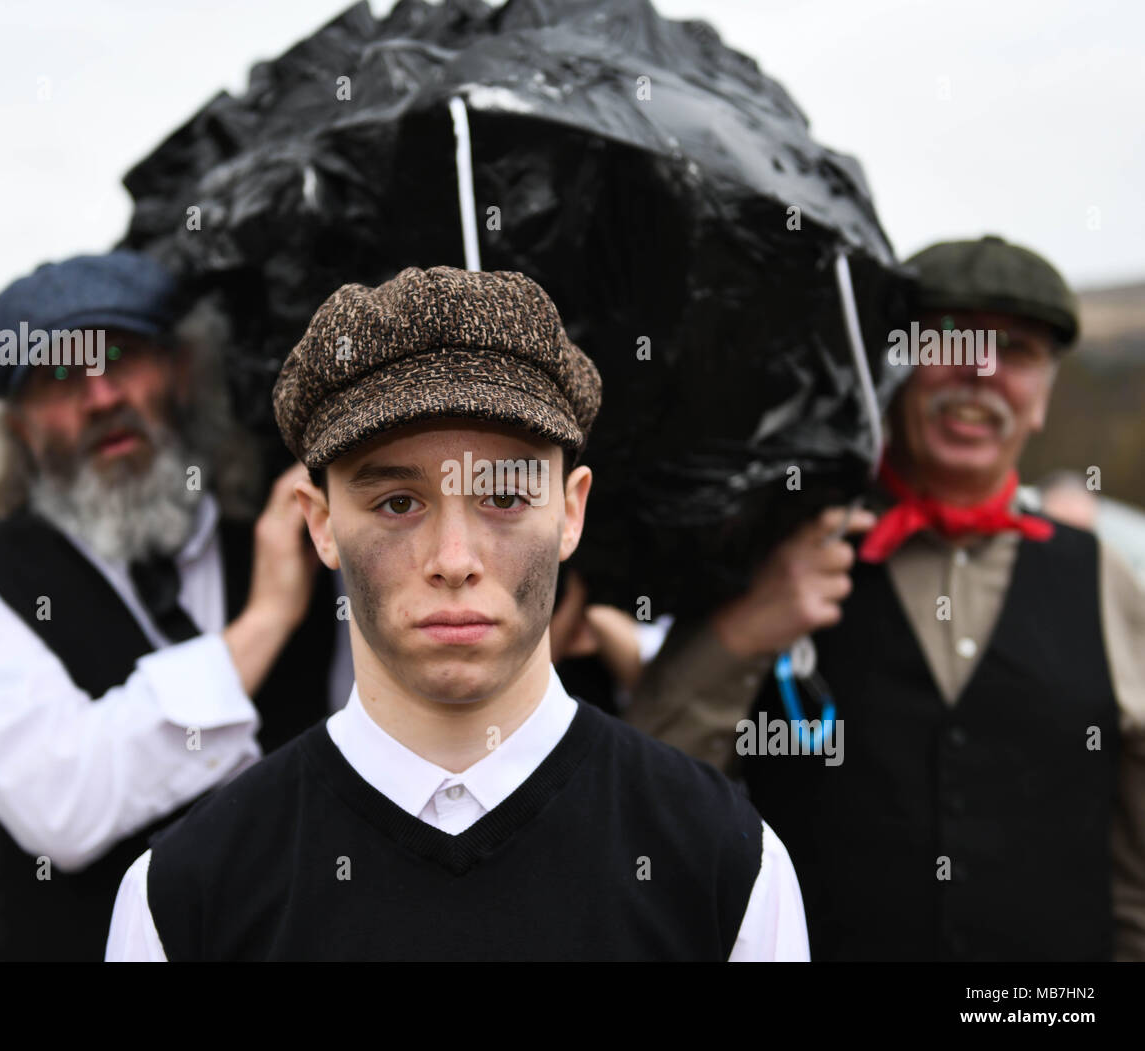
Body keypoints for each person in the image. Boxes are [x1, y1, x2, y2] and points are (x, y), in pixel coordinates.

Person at [106, 265, 809, 961]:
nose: (453, 556)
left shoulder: (729, 866)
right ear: (320, 524)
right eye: (397, 502)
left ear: (571, 510)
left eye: (502, 496)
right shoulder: (184, 896)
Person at [625, 234, 1145, 961]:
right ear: (891, 367)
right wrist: (743, 632)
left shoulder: (1102, 576)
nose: (981, 374)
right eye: (950, 341)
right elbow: (645, 791)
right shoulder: (781, 550)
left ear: (1043, 398)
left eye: (1018, 352)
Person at [0, 251, 336, 960]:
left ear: (178, 370)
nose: (102, 395)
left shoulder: (291, 535)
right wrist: (262, 623)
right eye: (58, 375)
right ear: (18, 423)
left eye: (121, 356)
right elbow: (64, 806)